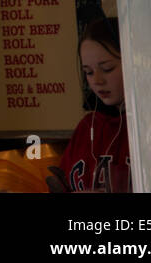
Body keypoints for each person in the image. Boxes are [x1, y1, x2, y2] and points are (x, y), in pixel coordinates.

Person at [47, 17, 131, 193]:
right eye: (89, 72)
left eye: (107, 69)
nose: (97, 81)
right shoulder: (87, 127)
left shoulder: (149, 127)